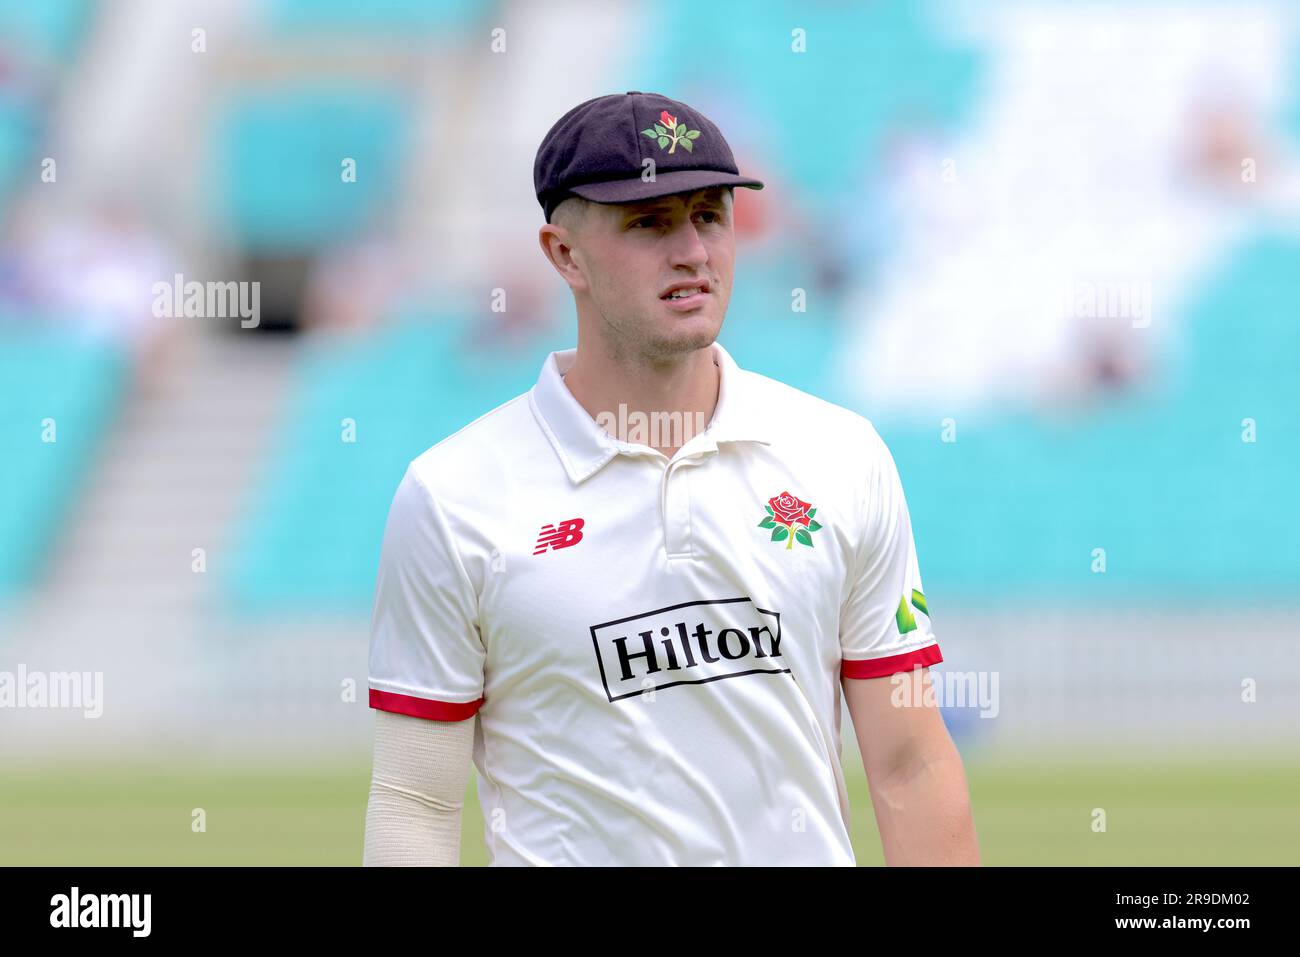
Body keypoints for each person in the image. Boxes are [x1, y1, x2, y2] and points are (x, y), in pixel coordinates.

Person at [363, 91, 979, 866]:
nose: (692, 249)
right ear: (563, 253)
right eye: (649, 223)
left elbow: (911, 762)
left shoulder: (841, 455)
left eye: (710, 215)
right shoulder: (454, 495)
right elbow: (415, 803)